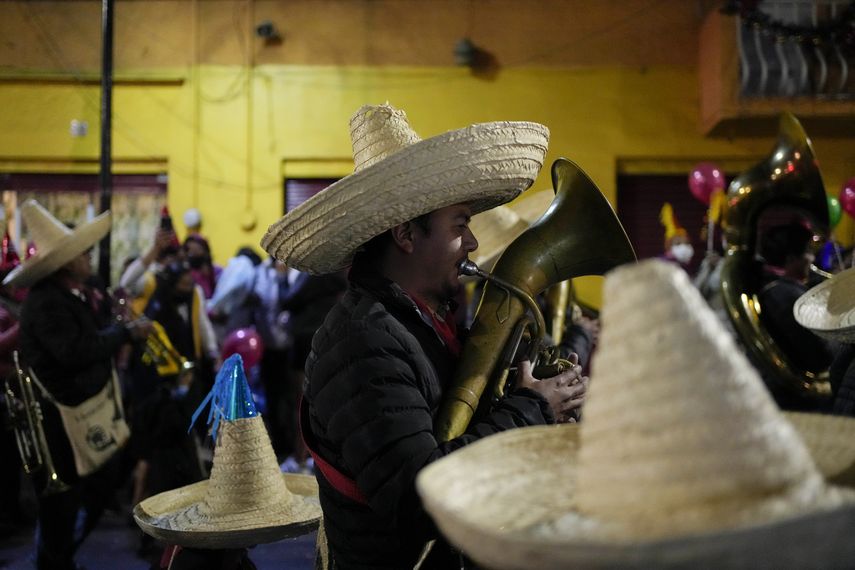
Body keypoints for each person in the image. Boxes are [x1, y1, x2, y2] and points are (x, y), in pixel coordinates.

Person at [261, 103, 587, 569]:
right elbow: (421, 498)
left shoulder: (418, 320)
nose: (473, 243)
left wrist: (530, 391)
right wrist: (534, 407)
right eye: (461, 224)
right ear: (406, 234)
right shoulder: (364, 339)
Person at [5, 199, 152, 570]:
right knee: (62, 505)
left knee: (86, 493)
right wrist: (124, 334)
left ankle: (59, 559)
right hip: (58, 421)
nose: (89, 257)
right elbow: (75, 352)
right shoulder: (48, 302)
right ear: (66, 263)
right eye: (82, 253)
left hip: (78, 415)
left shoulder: (70, 297)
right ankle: (55, 563)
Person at [756, 220, 835, 409]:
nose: (811, 259)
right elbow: (820, 353)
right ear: (791, 259)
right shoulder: (784, 296)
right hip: (795, 399)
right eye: (808, 252)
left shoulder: (782, 290)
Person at [658, 202, 694, 272]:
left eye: (687, 243)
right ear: (669, 246)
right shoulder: (661, 264)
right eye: (678, 244)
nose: (683, 247)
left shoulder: (687, 265)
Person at [183, 234, 221, 300]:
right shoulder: (189, 276)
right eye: (190, 251)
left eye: (198, 249)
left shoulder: (217, 270)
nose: (193, 253)